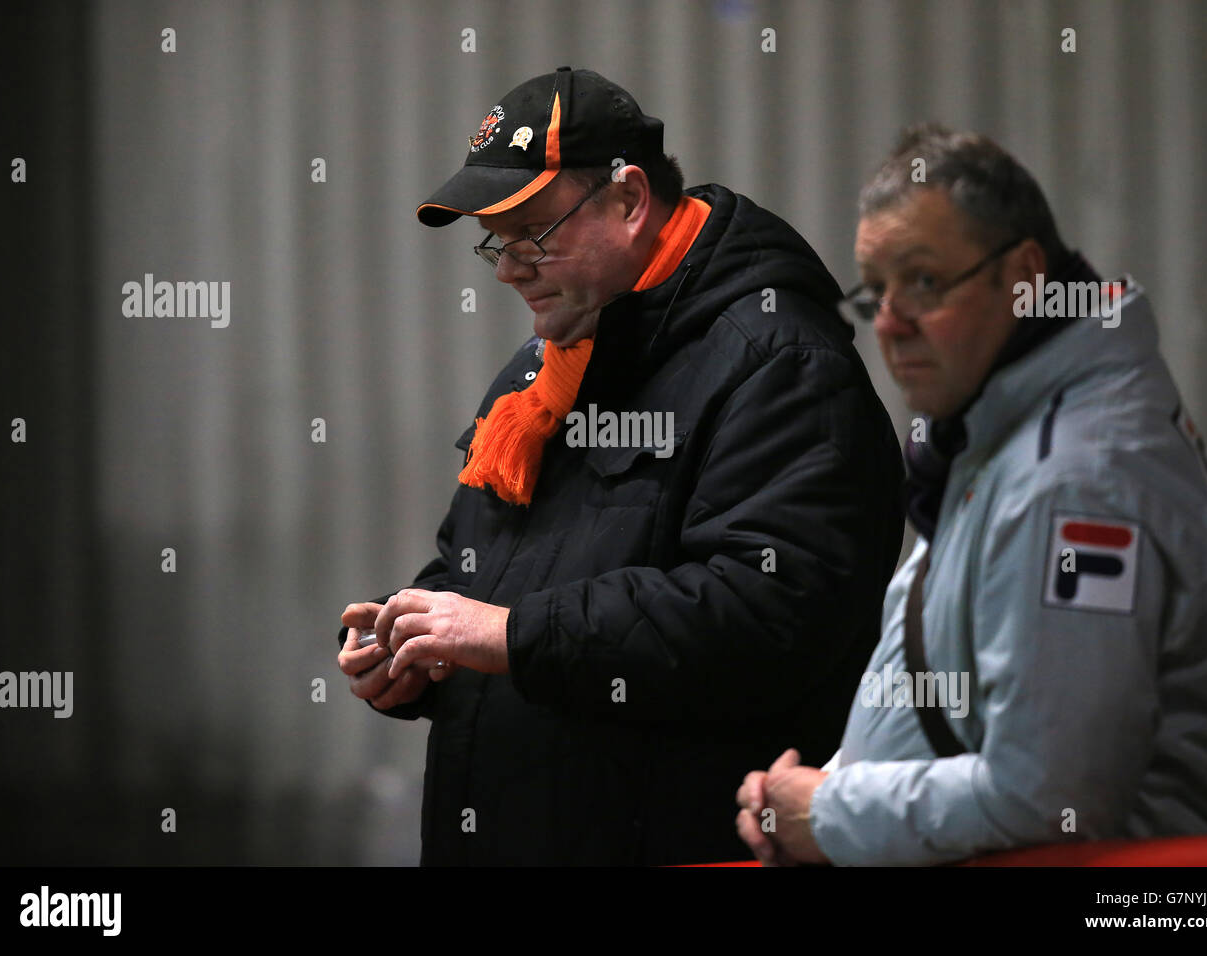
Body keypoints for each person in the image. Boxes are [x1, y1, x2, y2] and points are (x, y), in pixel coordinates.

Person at [335, 67, 906, 865]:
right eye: (495, 239)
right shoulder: (544, 372)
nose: (507, 267)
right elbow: (478, 573)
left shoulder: (778, 362)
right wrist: (416, 642)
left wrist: (514, 635)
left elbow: (770, 612)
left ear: (630, 200)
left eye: (532, 230)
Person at [736, 124, 1207, 866]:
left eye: (923, 282)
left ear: (1023, 276)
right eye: (875, 292)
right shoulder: (994, 436)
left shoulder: (1076, 481)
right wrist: (821, 788)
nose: (889, 324)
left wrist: (831, 812)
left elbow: (1050, 796)